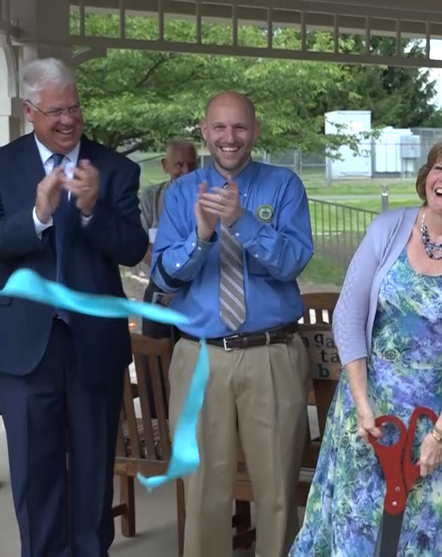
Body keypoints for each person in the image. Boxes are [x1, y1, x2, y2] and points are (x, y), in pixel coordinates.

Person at [290, 136, 442, 556]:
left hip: (437, 423)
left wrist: (441, 434)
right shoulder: (387, 229)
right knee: (354, 529)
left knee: (425, 533)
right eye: (438, 168)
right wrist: (360, 402)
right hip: (367, 414)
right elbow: (348, 315)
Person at [151, 91, 314, 557]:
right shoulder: (183, 193)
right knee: (203, 490)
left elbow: (292, 263)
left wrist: (242, 223)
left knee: (279, 492)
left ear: (255, 131)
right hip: (199, 356)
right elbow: (163, 276)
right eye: (219, 128)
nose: (230, 138)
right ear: (204, 131)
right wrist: (201, 237)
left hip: (271, 353)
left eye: (240, 127)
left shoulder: (283, 187)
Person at [0, 57, 148, 557]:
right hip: (24, 351)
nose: (67, 120)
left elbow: (132, 247)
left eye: (75, 109)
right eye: (55, 111)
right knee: (35, 480)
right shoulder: (2, 167)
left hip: (94, 348)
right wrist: (37, 216)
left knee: (91, 478)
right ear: (29, 111)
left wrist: (91, 211)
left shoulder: (117, 169)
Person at [138, 140, 198, 340]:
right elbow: (141, 247)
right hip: (159, 289)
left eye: (192, 164)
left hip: (198, 291)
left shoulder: (209, 196)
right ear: (165, 166)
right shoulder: (150, 198)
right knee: (156, 359)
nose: (186, 171)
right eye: (179, 165)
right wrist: (169, 279)